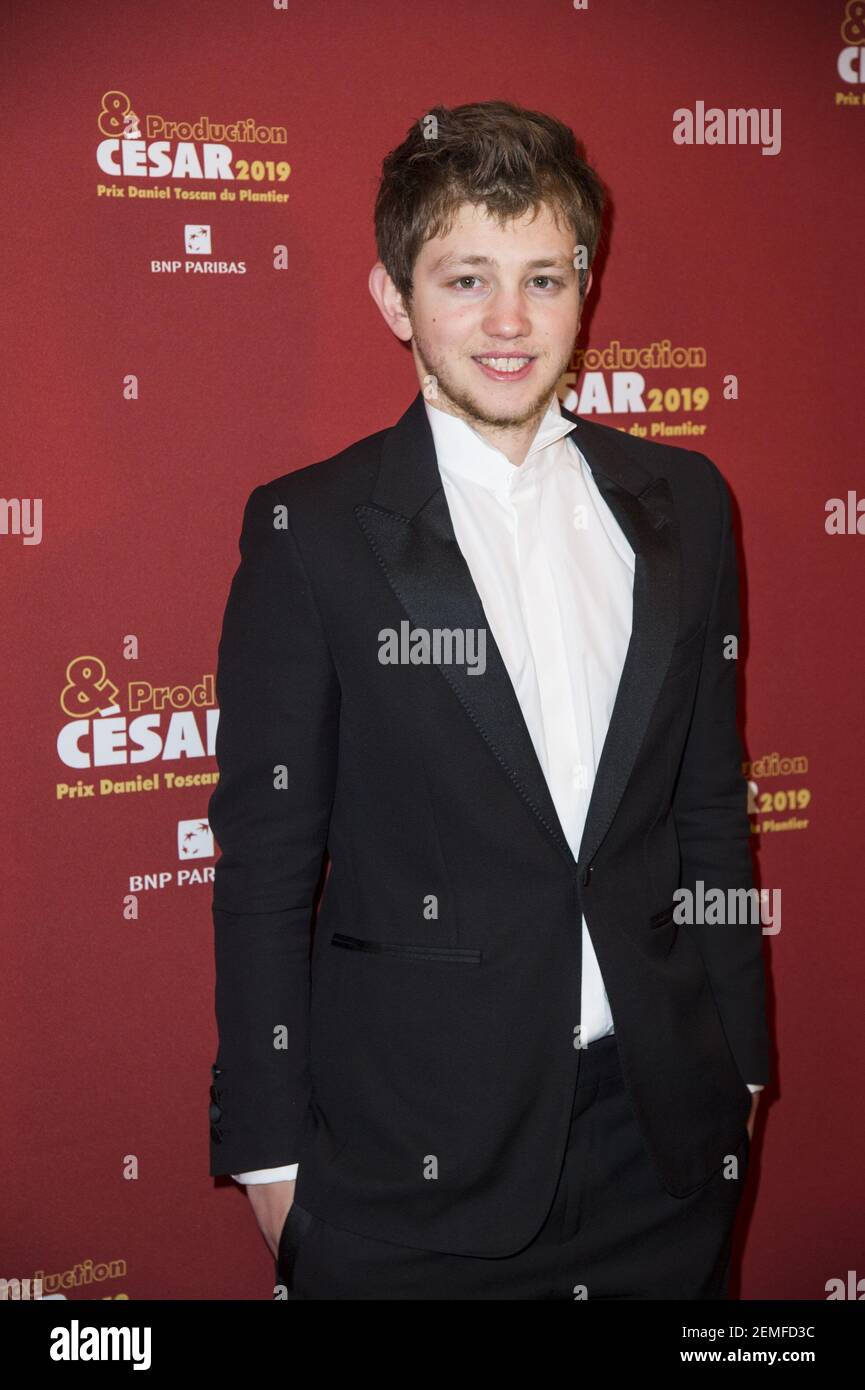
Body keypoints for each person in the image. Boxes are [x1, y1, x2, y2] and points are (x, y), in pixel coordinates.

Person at [207, 100, 770, 1300]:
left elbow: (710, 804)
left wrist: (744, 1066)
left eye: (543, 278)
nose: (509, 323)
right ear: (392, 298)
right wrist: (269, 1166)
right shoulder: (312, 531)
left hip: (661, 1144)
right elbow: (263, 863)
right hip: (409, 1172)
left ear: (586, 288)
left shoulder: (686, 502)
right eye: (465, 278)